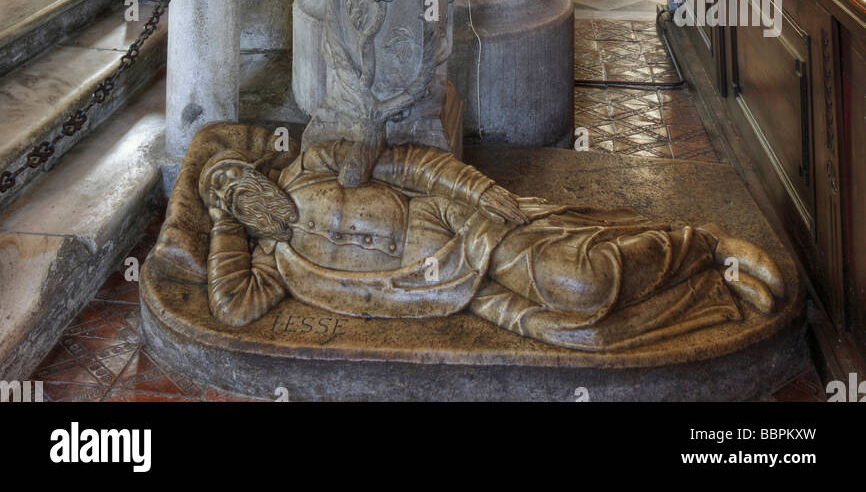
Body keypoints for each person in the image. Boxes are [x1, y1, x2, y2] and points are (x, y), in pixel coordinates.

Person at [196, 140, 785, 351]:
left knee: (583, 282)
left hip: (470, 230)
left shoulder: (310, 166)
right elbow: (234, 307)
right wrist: (225, 223)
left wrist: (479, 188)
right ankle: (706, 288)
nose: (229, 191)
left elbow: (406, 163)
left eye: (228, 177)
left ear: (253, 172)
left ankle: (704, 246)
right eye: (219, 194)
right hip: (456, 295)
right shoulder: (275, 264)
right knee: (580, 328)